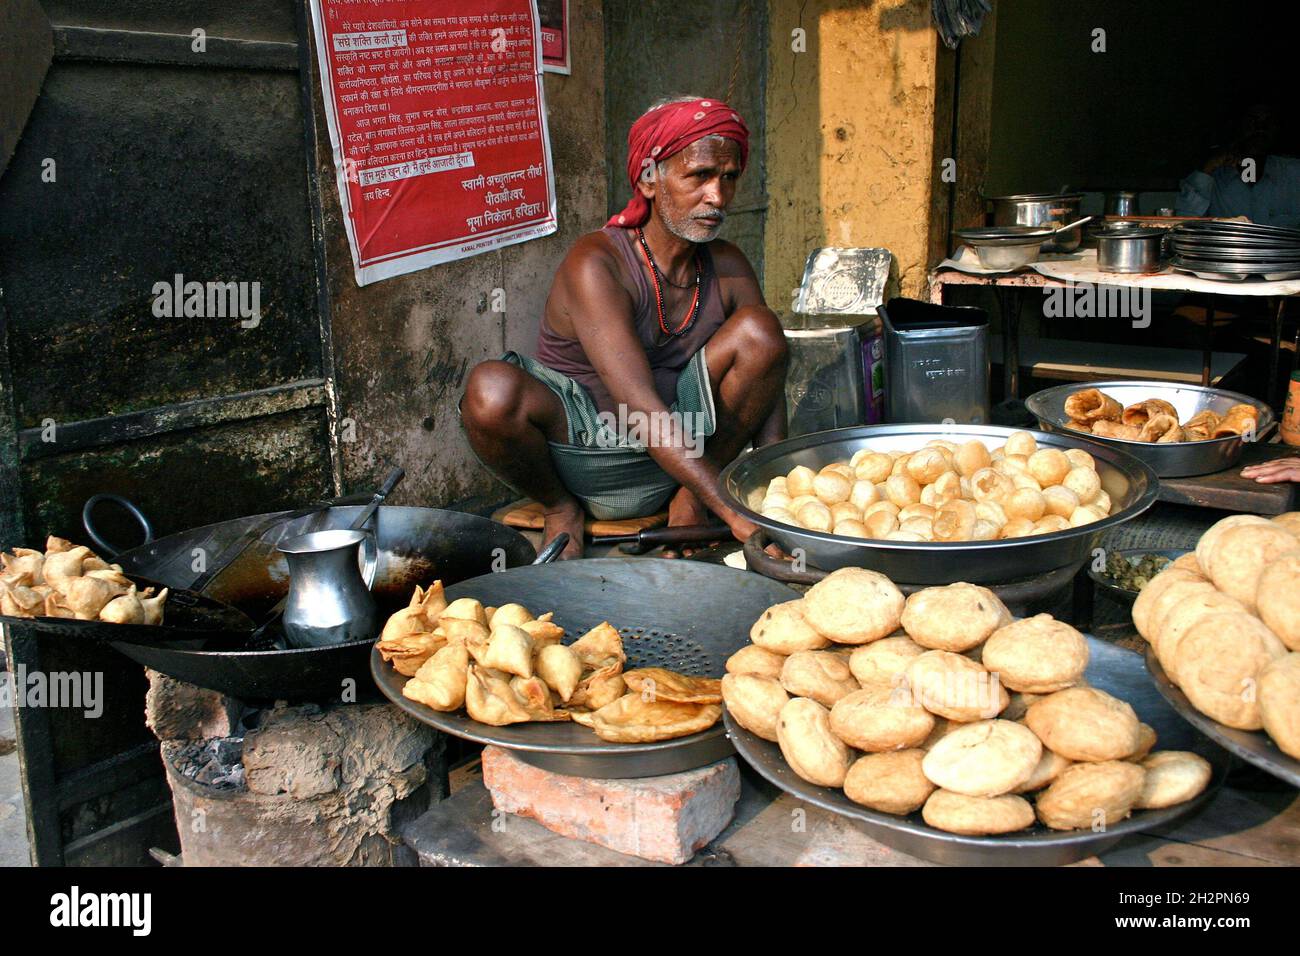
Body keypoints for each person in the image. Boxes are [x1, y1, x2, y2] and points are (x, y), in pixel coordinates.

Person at [460, 95, 788, 559]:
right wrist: (735, 516)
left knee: (761, 331)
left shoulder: (727, 265)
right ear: (649, 181)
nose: (717, 196)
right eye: (699, 176)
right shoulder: (597, 263)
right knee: (490, 390)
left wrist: (775, 501)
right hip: (589, 454)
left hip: (687, 456)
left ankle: (690, 497)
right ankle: (560, 509)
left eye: (729, 177)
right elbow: (638, 406)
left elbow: (769, 381)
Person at [1176, 103, 1300, 228]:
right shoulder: (1214, 176)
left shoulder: (1293, 173)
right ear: (1238, 125)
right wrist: (1208, 169)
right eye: (1252, 120)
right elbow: (1184, 222)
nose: (1260, 127)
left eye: (1268, 121)